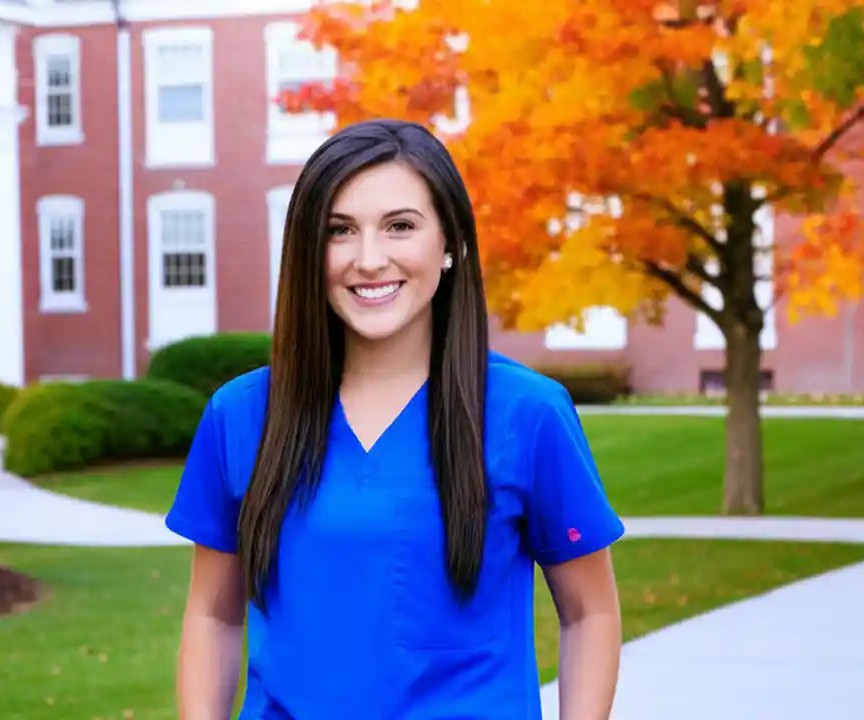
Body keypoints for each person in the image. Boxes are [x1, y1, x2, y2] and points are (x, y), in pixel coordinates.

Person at [165, 118, 624, 720]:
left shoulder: (527, 414)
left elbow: (590, 613)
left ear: (451, 242)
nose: (369, 259)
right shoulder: (241, 415)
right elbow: (213, 614)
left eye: (400, 226)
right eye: (340, 231)